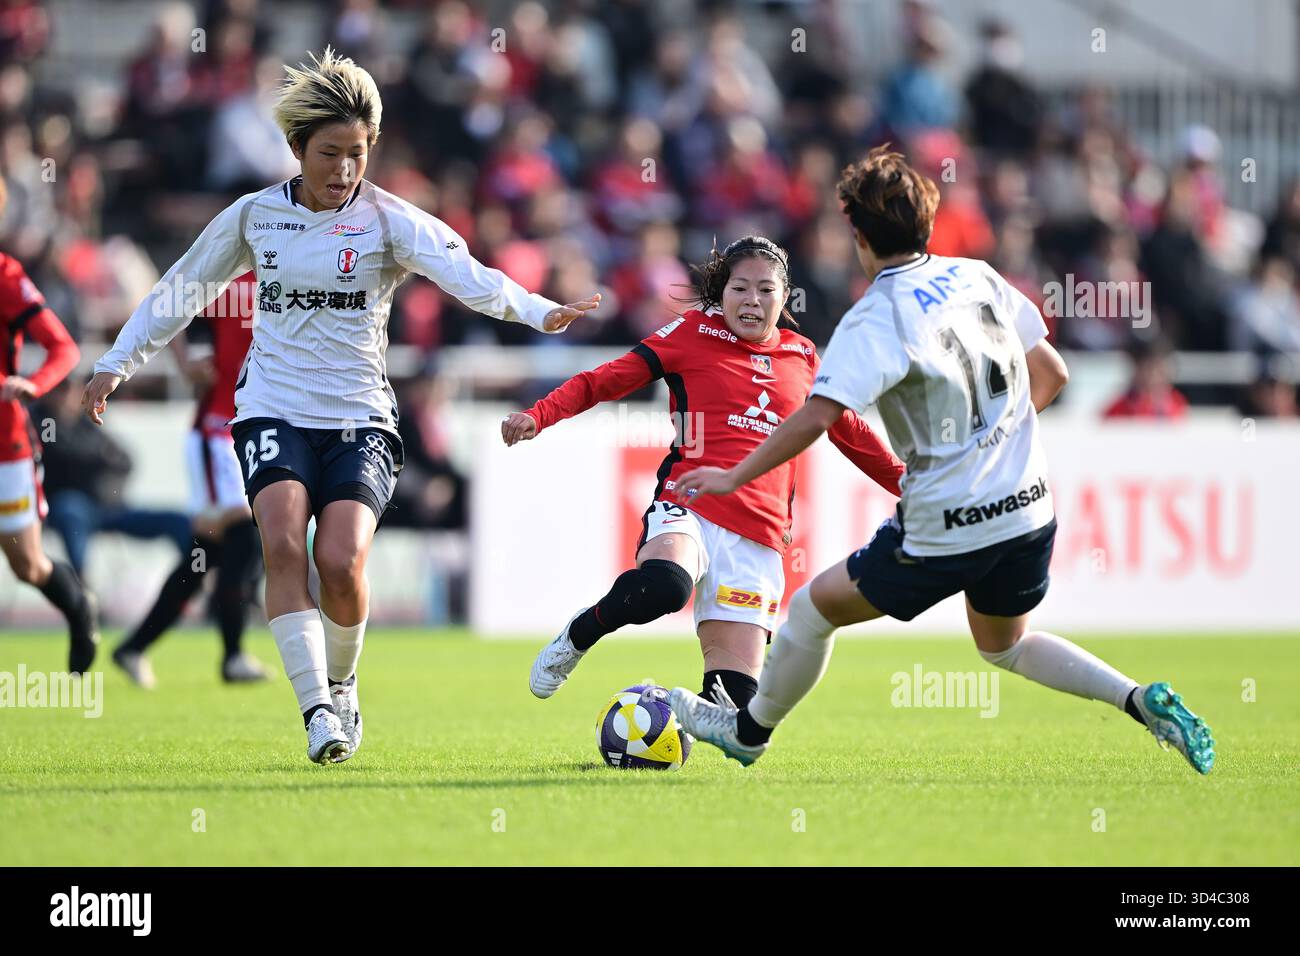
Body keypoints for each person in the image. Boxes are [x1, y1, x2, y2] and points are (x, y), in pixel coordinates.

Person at [82, 48, 599, 765]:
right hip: (271, 409)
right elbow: (180, 289)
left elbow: (467, 275)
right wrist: (116, 364)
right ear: (297, 149)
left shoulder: (389, 220)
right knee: (284, 543)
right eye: (330, 154)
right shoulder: (254, 217)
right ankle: (317, 712)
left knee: (343, 560)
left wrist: (541, 313)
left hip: (360, 418)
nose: (345, 170)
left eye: (358, 154)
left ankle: (343, 681)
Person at [670, 146, 1216, 775]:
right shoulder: (977, 276)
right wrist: (995, 443)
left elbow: (817, 418)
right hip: (1028, 510)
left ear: (858, 235)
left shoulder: (874, 317)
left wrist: (735, 474)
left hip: (946, 525)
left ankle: (748, 732)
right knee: (1005, 647)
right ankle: (1138, 699)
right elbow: (1054, 373)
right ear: (927, 221)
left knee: (812, 612)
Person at [503, 235, 903, 710]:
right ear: (722, 292)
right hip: (689, 501)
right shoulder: (692, 333)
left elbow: (852, 432)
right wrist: (540, 414)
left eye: (765, 290)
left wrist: (912, 488)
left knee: (731, 703)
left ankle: (661, 719)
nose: (752, 300)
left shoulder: (804, 358)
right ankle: (579, 634)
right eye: (740, 288)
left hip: (760, 534)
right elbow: (605, 379)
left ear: (783, 297)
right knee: (665, 587)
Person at [112, 272, 269, 688]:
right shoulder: (232, 280)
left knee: (207, 554)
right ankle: (233, 655)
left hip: (256, 428)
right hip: (218, 430)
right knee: (245, 535)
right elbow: (164, 302)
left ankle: (135, 646)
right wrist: (184, 363)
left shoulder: (295, 272)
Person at [0, 176, 98, 673]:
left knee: (28, 566)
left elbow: (65, 349)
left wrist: (32, 384)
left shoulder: (6, 275)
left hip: (6, 446)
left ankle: (79, 608)